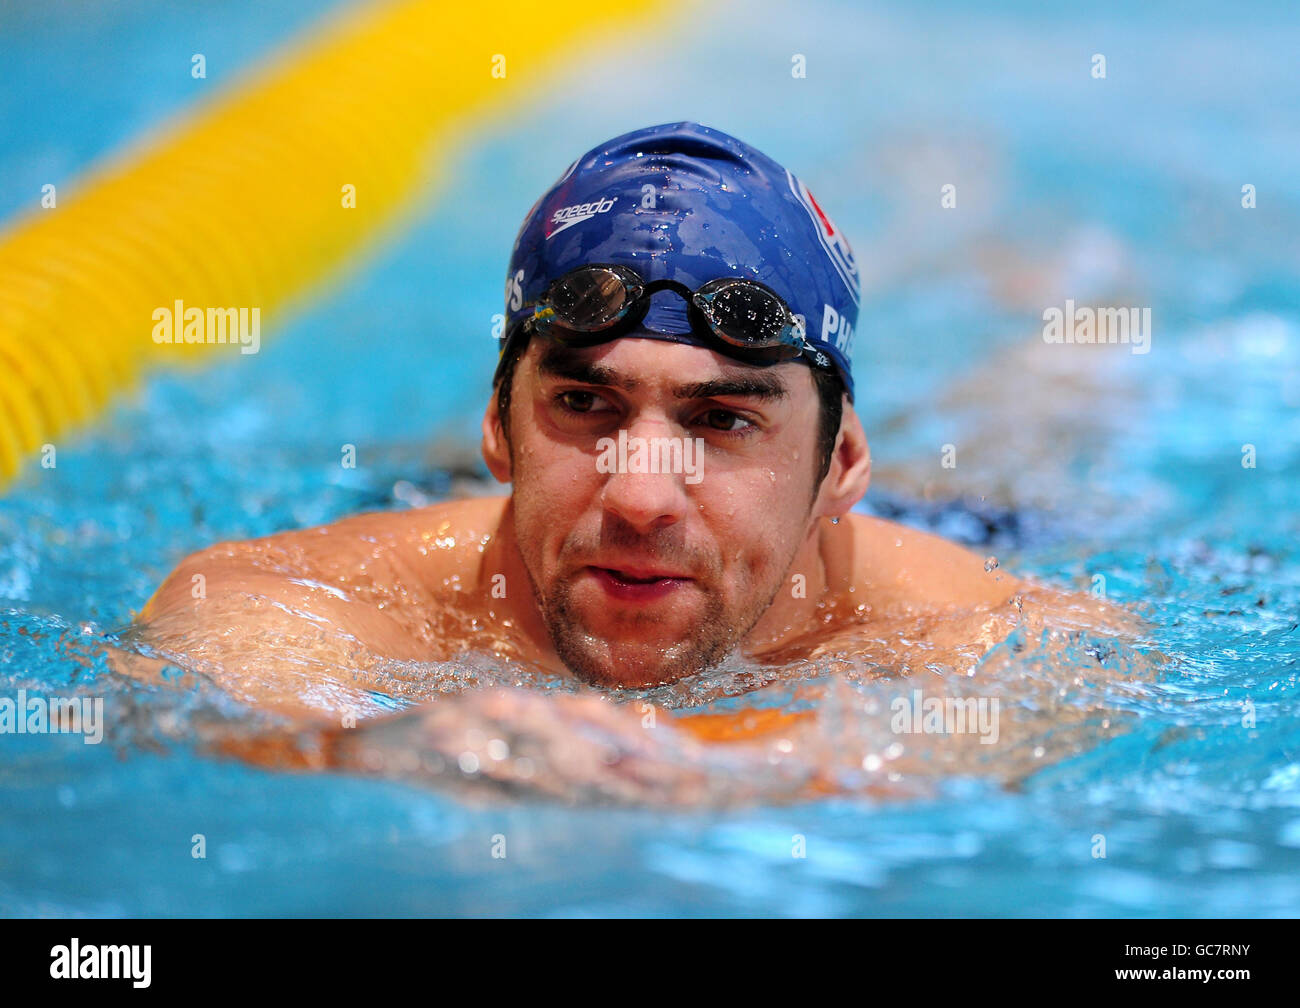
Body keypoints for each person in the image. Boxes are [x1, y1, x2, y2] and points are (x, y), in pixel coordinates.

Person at [127, 123, 1139, 801]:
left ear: (841, 463)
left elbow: (1084, 672)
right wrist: (367, 750)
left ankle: (1012, 248)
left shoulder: (957, 625)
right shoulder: (364, 602)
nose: (642, 495)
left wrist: (729, 773)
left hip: (947, 513)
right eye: (582, 403)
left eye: (723, 419)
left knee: (1039, 417)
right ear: (498, 429)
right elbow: (222, 633)